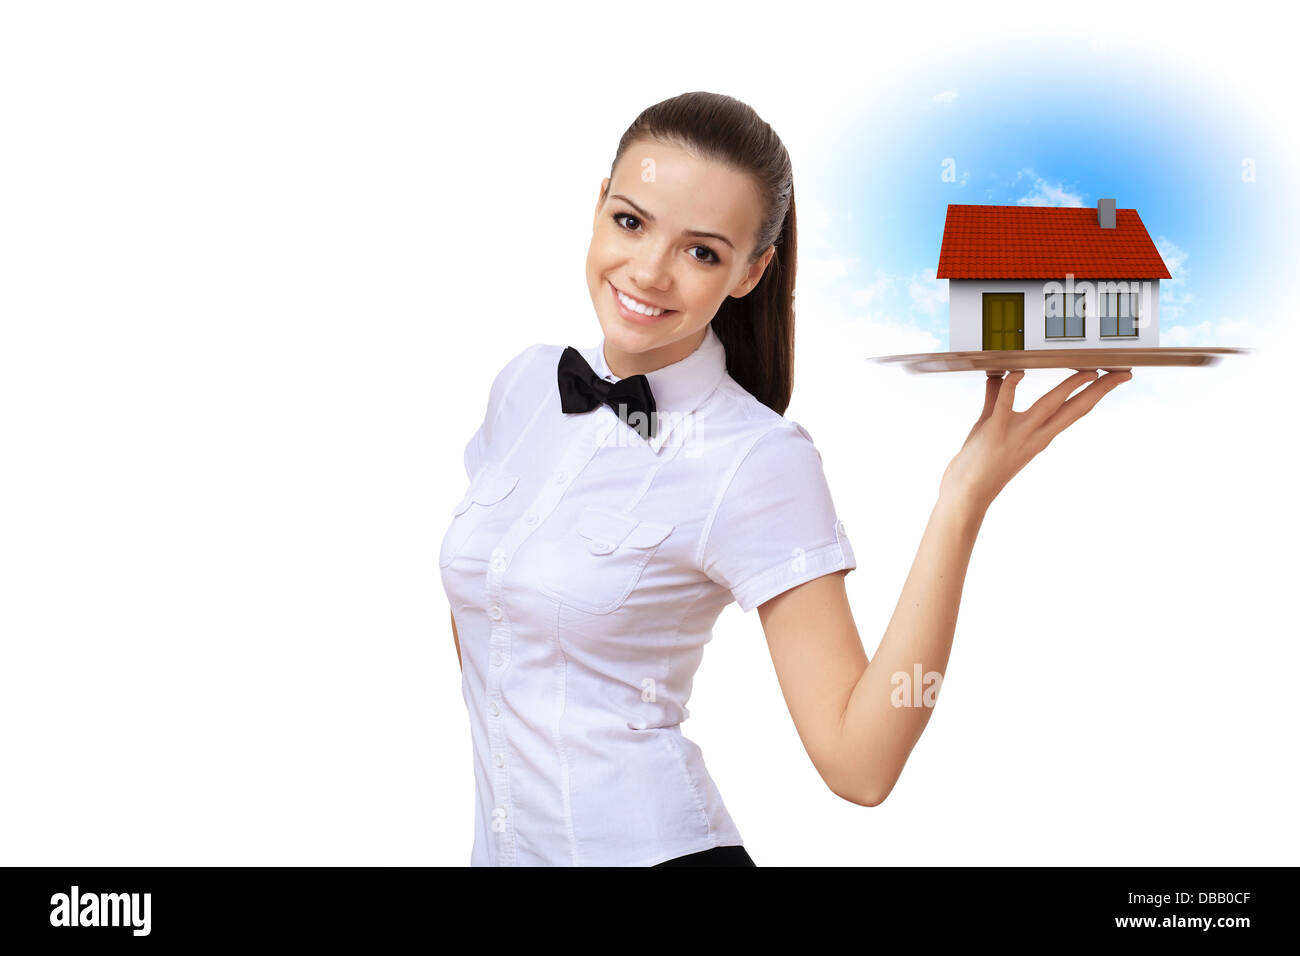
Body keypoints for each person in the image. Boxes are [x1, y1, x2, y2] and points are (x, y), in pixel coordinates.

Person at [440, 91, 1131, 867]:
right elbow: (492, 622)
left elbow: (860, 766)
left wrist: (961, 498)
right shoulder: (524, 389)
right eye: (630, 222)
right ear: (598, 205)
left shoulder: (758, 460)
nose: (649, 271)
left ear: (750, 271)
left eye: (702, 252)